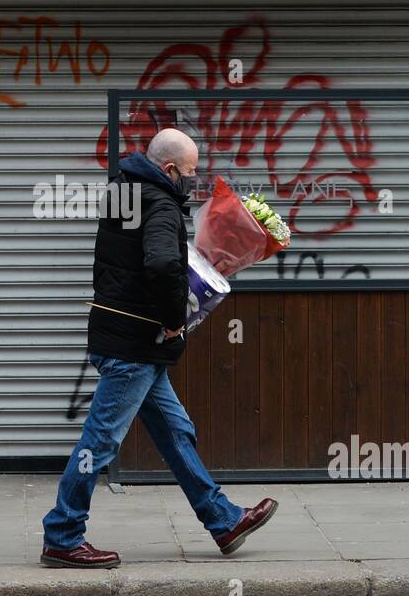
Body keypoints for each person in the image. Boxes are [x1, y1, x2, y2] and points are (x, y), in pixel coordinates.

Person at [40, 129, 276, 567]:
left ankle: (221, 519)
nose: (194, 179)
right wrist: (174, 320)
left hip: (124, 334)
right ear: (169, 170)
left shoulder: (125, 192)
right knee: (102, 439)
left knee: (175, 432)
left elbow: (128, 263)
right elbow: (162, 264)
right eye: (189, 171)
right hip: (136, 342)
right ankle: (63, 533)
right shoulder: (161, 203)